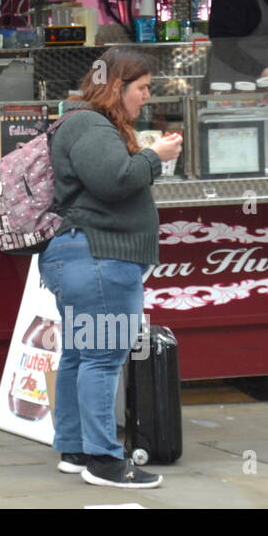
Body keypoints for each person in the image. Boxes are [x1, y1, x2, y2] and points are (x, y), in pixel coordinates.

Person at [39, 47, 182, 489]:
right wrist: (153, 156)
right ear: (117, 87)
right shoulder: (90, 124)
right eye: (141, 89)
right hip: (100, 259)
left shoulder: (84, 123)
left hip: (84, 258)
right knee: (102, 359)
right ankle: (104, 461)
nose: (146, 97)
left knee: (81, 355)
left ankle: (75, 448)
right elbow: (114, 180)